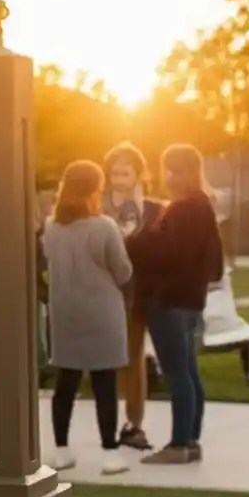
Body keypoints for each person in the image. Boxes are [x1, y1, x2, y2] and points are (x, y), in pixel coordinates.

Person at [128, 144, 224, 465]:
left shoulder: (185, 209)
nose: (166, 176)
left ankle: (179, 443)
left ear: (182, 171)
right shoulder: (202, 206)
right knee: (189, 373)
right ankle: (191, 441)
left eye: (171, 169)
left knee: (177, 375)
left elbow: (165, 252)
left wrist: (134, 240)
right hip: (190, 300)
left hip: (169, 300)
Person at [42, 160, 134, 476]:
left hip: (65, 313)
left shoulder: (51, 227)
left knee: (65, 383)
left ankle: (62, 450)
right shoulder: (104, 227)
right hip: (101, 314)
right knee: (104, 384)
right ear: (95, 190)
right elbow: (122, 271)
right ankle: (110, 453)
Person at [101, 142, 164, 450]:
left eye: (125, 173)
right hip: (102, 293)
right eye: (114, 173)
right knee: (106, 361)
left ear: (138, 175)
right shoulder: (97, 207)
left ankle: (134, 424)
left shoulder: (153, 209)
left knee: (134, 359)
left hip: (137, 294)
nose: (119, 179)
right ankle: (109, 423)